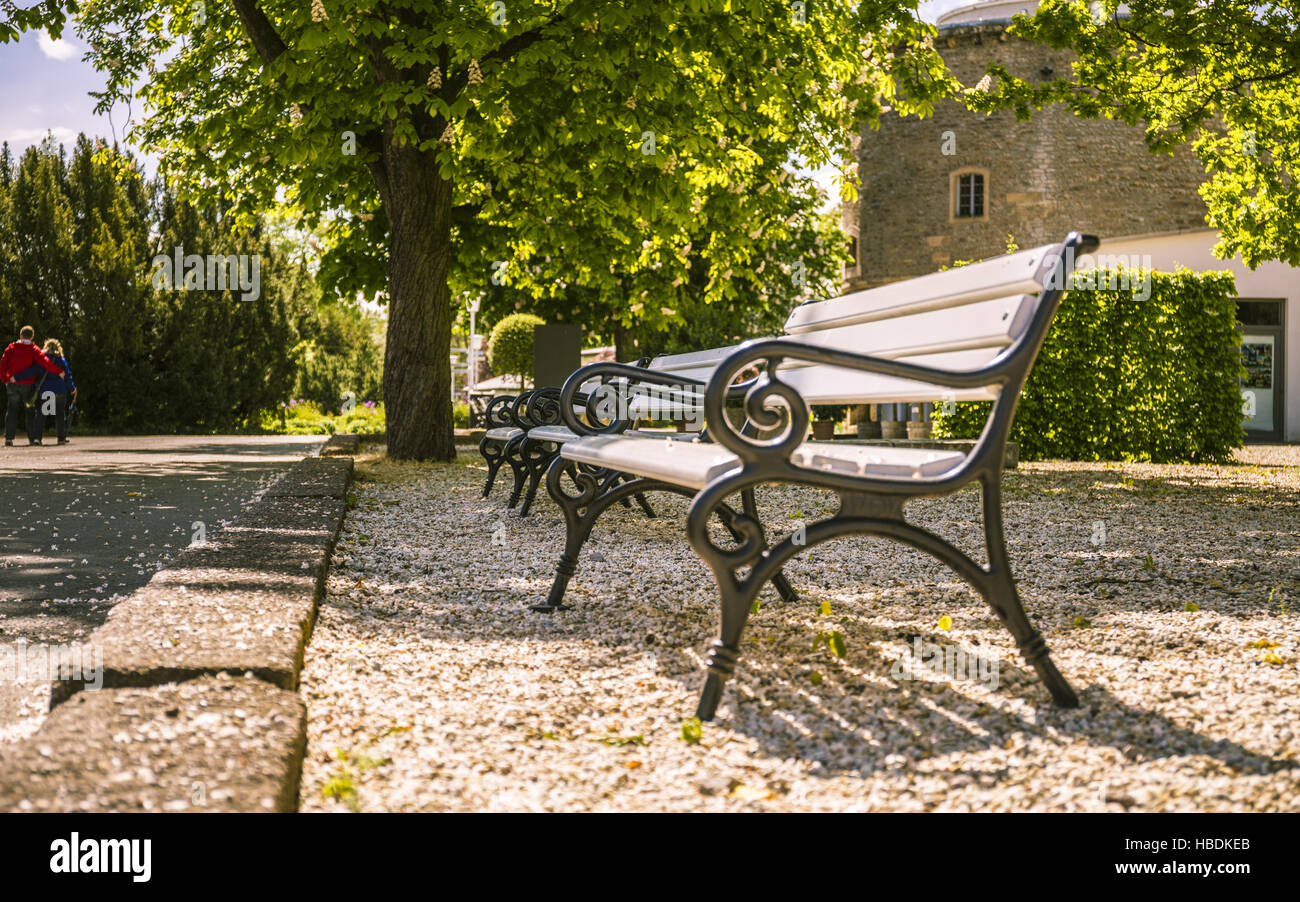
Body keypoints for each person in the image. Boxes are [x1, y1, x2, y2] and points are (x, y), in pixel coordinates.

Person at [0, 326, 67, 447]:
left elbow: (3, 364)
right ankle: (32, 438)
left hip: (12, 383)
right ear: (32, 337)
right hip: (28, 384)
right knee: (30, 411)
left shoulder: (10, 348)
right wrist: (58, 371)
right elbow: (45, 362)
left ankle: (9, 438)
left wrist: (5, 379)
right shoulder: (34, 349)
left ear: (21, 335)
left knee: (11, 410)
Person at [15, 338, 76, 444]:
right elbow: (67, 376)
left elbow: (32, 371)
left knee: (42, 415)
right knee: (60, 415)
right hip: (59, 391)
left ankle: (37, 438)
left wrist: (17, 377)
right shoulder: (61, 360)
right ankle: (61, 438)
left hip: (46, 391)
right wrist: (72, 388)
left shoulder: (42, 359)